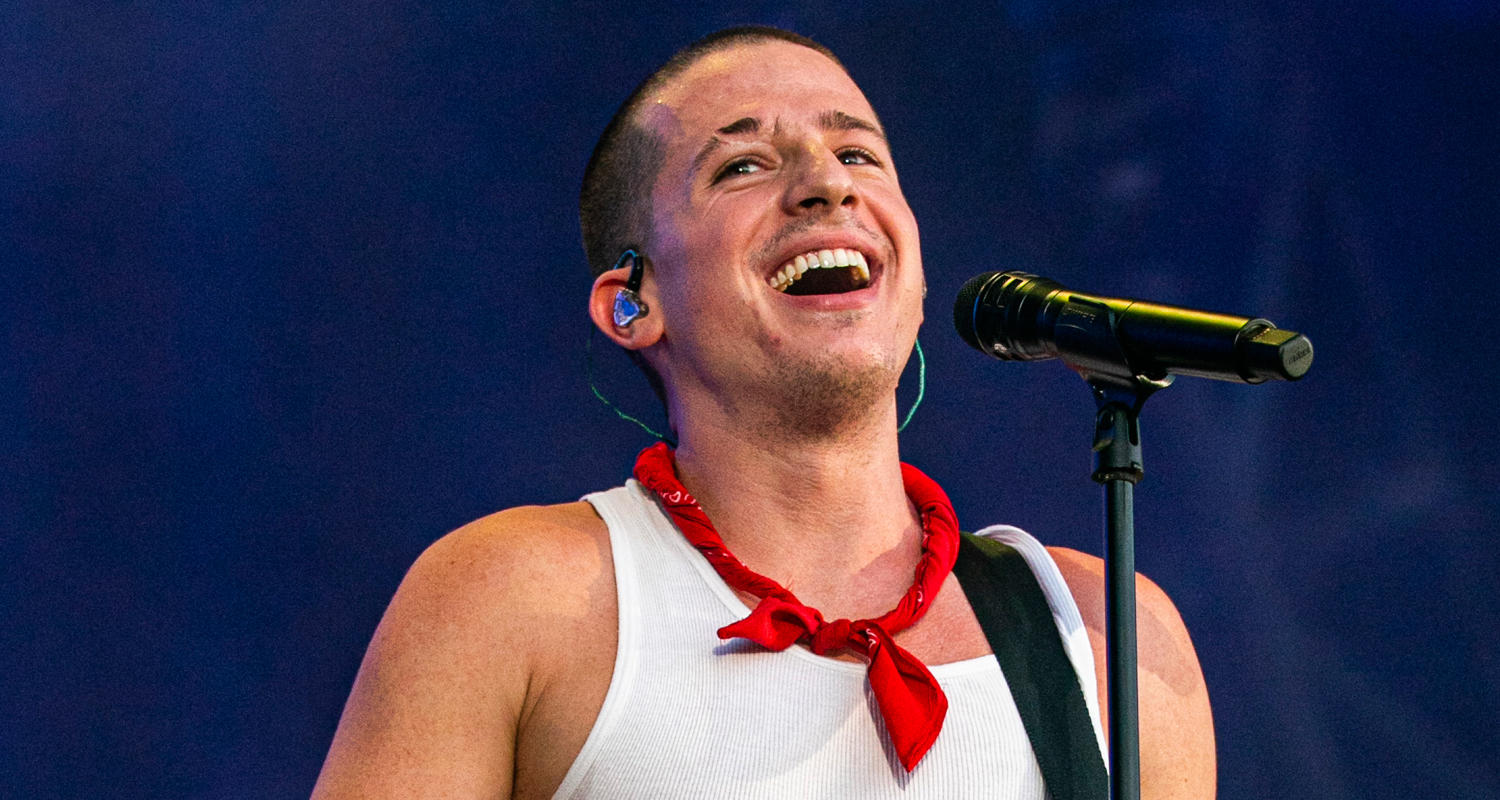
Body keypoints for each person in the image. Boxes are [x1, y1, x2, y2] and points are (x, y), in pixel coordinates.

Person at [311, 26, 1216, 800]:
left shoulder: (1101, 635)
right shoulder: (518, 598)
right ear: (634, 302)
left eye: (859, 153)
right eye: (743, 164)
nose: (829, 185)